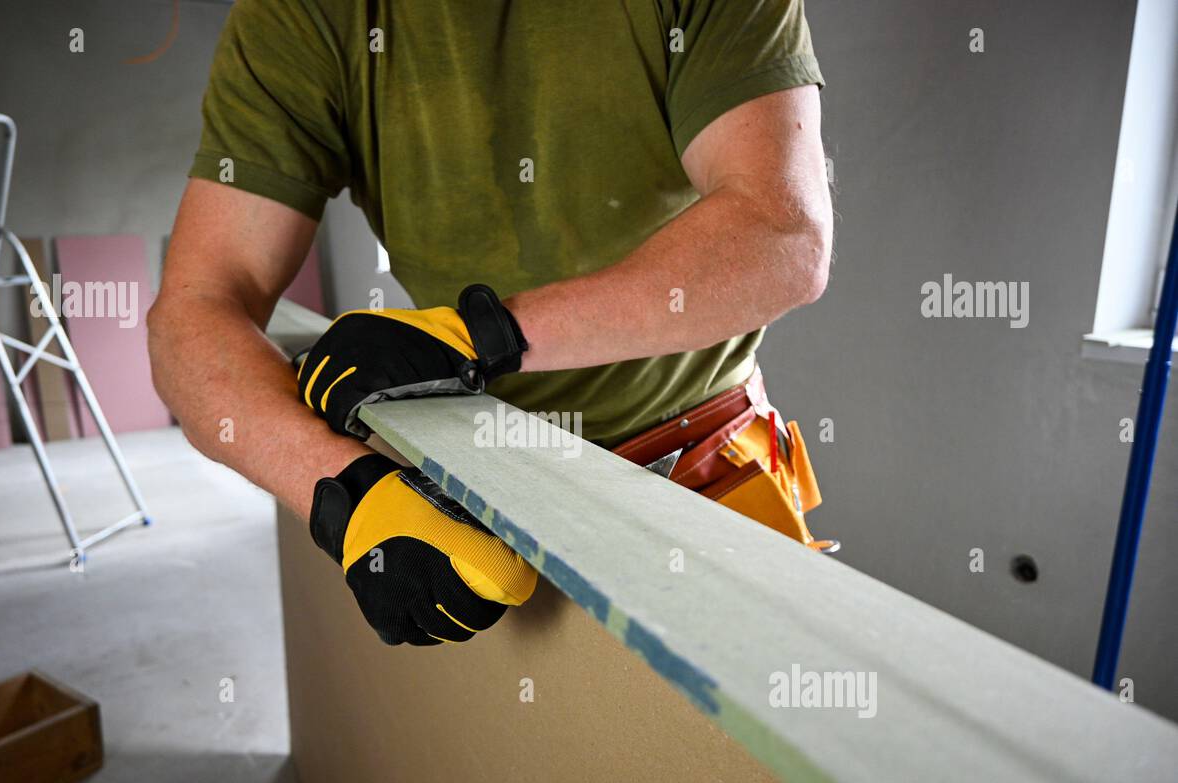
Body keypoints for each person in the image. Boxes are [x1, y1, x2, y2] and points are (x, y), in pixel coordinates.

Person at [148, 0, 832, 647]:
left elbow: (783, 236)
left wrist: (483, 336)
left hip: (701, 471)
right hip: (482, 487)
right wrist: (343, 496)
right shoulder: (299, 17)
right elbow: (197, 306)